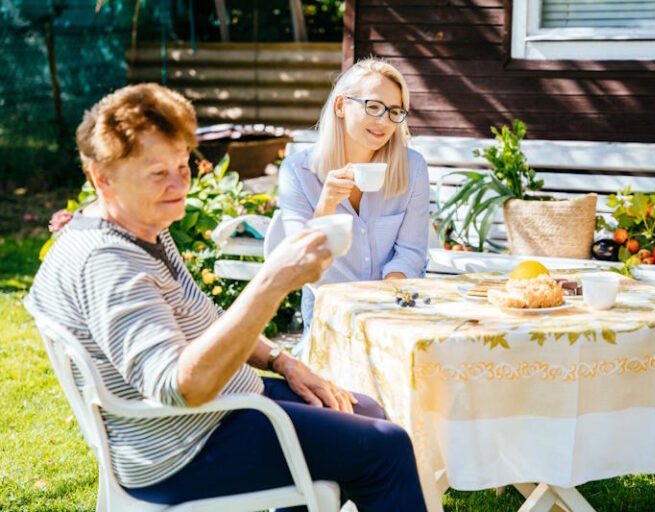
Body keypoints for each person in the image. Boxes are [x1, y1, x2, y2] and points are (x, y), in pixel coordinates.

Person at [24, 83, 427, 511]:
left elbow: (207, 318)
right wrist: (271, 283)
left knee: (364, 410)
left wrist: (283, 361)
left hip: (221, 412)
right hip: (181, 449)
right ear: (101, 178)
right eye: (158, 173)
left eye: (183, 166)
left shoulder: (143, 223)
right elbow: (182, 387)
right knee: (387, 448)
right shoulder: (107, 262)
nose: (179, 184)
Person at [278, 58, 430, 354]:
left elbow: (410, 251)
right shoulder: (298, 173)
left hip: (393, 315)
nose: (384, 121)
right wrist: (326, 205)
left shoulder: (413, 169)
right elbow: (300, 261)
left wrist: (386, 302)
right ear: (340, 106)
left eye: (394, 112)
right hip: (330, 319)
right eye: (373, 107)